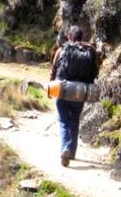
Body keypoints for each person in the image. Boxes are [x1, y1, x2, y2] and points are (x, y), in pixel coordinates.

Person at [50, 25, 98, 167]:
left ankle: (65, 148)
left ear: (70, 36)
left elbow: (54, 70)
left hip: (63, 89)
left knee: (64, 121)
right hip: (80, 91)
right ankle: (72, 152)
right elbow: (95, 71)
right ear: (81, 37)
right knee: (75, 120)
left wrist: (51, 87)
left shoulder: (62, 50)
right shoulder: (90, 51)